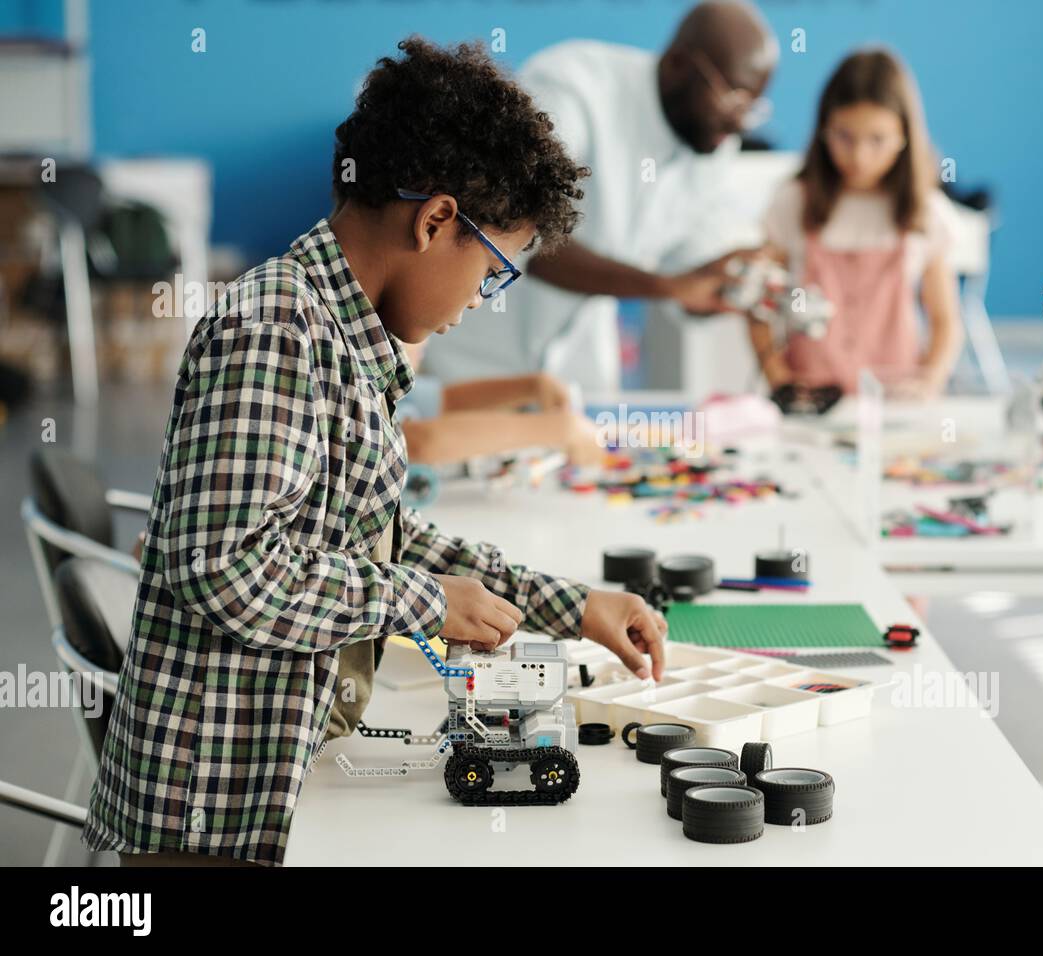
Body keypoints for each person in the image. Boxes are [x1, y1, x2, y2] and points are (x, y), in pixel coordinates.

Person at [82, 39, 666, 868]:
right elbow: (220, 567)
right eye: (493, 270)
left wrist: (567, 605)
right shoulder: (277, 331)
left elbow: (379, 535)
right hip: (211, 814)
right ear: (435, 220)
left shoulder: (344, 338)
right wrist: (421, 602)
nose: (480, 302)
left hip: (274, 773)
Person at [423, 0, 779, 393]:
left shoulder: (712, 140)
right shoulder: (574, 84)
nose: (740, 121)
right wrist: (666, 286)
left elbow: (686, 263)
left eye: (752, 106)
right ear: (679, 63)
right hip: (476, 356)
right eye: (731, 97)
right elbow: (521, 236)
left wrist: (724, 283)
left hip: (579, 367)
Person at [750, 48, 963, 397]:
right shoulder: (792, 204)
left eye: (877, 140)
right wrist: (780, 380)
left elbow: (945, 321)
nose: (860, 156)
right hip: (811, 407)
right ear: (823, 130)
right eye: (844, 137)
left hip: (894, 408)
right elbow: (761, 310)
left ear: (904, 138)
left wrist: (929, 382)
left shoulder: (925, 213)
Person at [396, 339, 603, 469]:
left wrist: (531, 386)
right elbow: (417, 443)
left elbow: (445, 402)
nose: (428, 339)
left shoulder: (398, 382)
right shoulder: (371, 387)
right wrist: (558, 429)